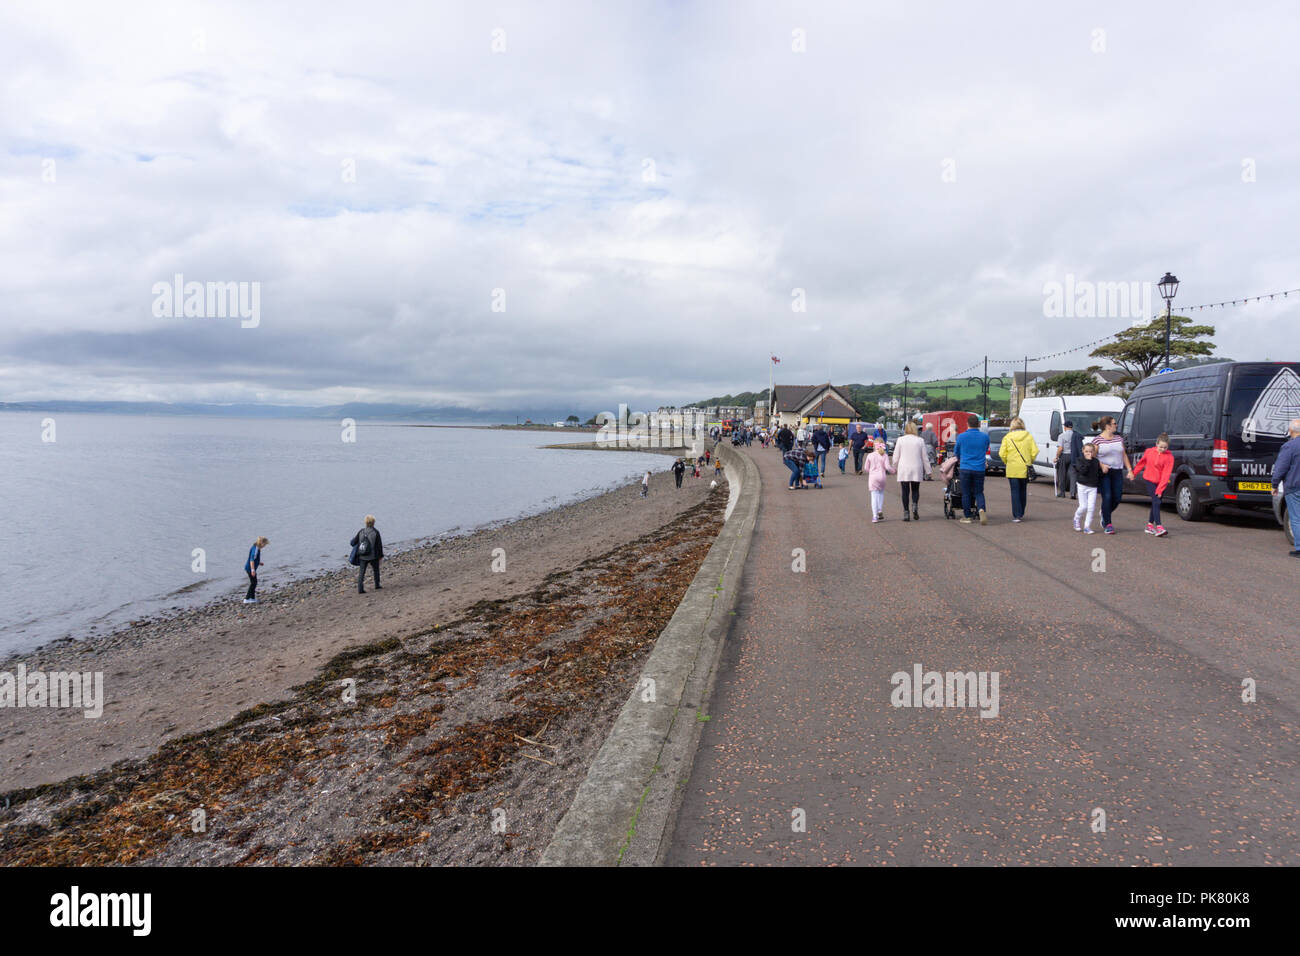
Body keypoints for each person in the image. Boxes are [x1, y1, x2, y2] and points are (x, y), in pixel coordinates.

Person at [1092, 416, 1133, 534]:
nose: (1116, 425)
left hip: (1117, 471)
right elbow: (1092, 457)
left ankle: (1105, 512)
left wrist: (1130, 470)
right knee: (1108, 496)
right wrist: (1102, 465)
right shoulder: (1097, 440)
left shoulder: (1119, 439)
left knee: (1117, 497)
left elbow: (1123, 454)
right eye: (1114, 423)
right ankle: (1108, 523)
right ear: (1107, 426)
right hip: (1104, 472)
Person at [1129, 433, 1174, 536]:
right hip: (1149, 480)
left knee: (1156, 503)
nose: (1162, 449)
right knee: (1156, 501)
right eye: (1161, 447)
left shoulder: (1169, 457)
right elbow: (1141, 463)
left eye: (1165, 447)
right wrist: (1134, 473)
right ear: (1156, 444)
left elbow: (1166, 474)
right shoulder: (1149, 452)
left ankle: (1149, 526)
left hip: (1160, 483)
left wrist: (1160, 489)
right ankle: (1159, 526)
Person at [998, 416, 1040, 523]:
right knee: (1023, 490)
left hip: (1012, 468)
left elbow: (1002, 453)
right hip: (1025, 467)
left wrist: (1007, 461)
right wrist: (1029, 460)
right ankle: (1021, 511)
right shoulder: (1028, 436)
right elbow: (1035, 451)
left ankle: (1016, 515)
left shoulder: (1007, 437)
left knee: (1014, 491)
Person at [953, 414, 990, 524]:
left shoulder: (961, 436)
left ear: (967, 424)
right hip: (979, 468)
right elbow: (985, 448)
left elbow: (956, 452)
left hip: (966, 467)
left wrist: (961, 458)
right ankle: (982, 509)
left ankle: (967, 516)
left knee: (966, 493)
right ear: (978, 424)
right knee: (979, 492)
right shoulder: (985, 437)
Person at [1270, 418, 1300, 556]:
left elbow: (1280, 468)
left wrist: (1274, 485)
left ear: (1291, 430)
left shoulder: (1289, 447)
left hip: (1295, 487)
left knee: (1296, 518)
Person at [891, 421, 931, 521]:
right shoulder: (920, 440)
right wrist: (928, 470)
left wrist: (894, 467)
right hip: (916, 467)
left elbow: (896, 456)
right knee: (915, 489)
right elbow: (925, 457)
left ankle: (906, 512)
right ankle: (914, 505)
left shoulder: (900, 440)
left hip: (904, 467)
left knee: (905, 491)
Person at [1071, 442, 1104, 533]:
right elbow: (1082, 471)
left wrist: (1103, 471)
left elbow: (1098, 473)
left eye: (1090, 451)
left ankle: (1087, 526)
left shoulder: (1096, 461)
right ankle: (1076, 519)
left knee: (1091, 507)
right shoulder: (1079, 460)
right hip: (1082, 485)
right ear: (1083, 451)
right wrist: (1088, 461)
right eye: (1086, 451)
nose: (1088, 453)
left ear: (1093, 452)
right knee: (1083, 506)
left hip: (1093, 487)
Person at [350, 515, 384, 593]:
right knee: (376, 570)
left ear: (365, 522)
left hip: (362, 555)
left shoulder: (361, 531)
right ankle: (377, 585)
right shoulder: (376, 532)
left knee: (362, 572)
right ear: (373, 523)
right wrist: (380, 556)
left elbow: (353, 543)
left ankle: (360, 589)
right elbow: (379, 546)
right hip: (373, 556)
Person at [864, 439, 895, 520]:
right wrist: (893, 471)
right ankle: (880, 510)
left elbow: (866, 468)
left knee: (874, 496)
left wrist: (870, 470)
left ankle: (875, 516)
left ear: (874, 446)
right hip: (882, 476)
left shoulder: (870, 455)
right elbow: (887, 467)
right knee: (881, 493)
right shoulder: (884, 455)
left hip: (873, 477)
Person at [1055, 419, 1083, 498]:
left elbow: (1060, 448)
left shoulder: (1061, 436)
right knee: (1073, 475)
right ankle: (1073, 493)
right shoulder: (1076, 435)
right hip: (1073, 456)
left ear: (1065, 427)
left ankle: (1062, 492)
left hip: (1064, 455)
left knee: (1062, 474)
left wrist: (1057, 457)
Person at [243, 536, 268, 604]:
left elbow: (254, 559)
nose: (265, 546)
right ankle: (247, 598)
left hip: (250, 568)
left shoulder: (255, 547)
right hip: (249, 568)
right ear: (261, 543)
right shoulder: (256, 549)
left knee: (254, 582)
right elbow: (251, 560)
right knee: (253, 583)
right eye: (265, 544)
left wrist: (259, 563)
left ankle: (252, 598)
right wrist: (253, 570)